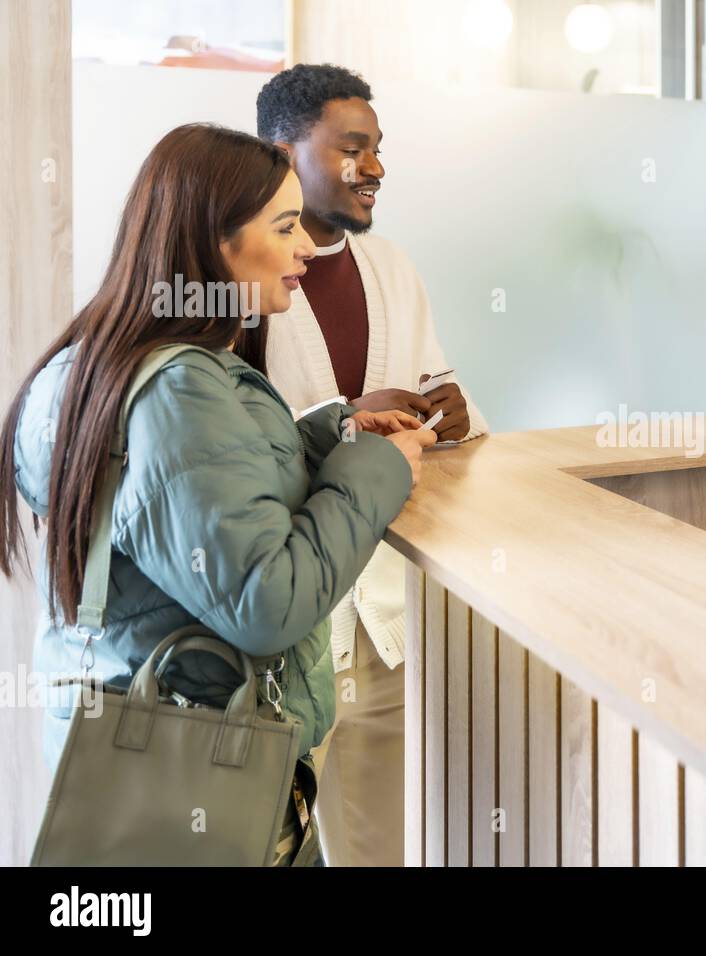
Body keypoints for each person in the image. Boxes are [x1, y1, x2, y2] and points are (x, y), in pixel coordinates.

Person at [0, 123, 438, 864]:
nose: (306, 248)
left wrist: (332, 432)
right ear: (216, 238)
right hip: (210, 766)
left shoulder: (94, 364)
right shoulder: (181, 387)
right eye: (286, 226)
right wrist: (379, 468)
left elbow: (191, 500)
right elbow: (264, 599)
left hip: (125, 751)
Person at [255, 63, 488, 866]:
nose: (376, 168)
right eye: (353, 148)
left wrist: (451, 409)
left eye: (380, 148)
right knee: (263, 839)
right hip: (282, 626)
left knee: (377, 844)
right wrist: (347, 423)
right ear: (282, 151)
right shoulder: (234, 284)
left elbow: (431, 394)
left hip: (384, 613)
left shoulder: (389, 266)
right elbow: (224, 439)